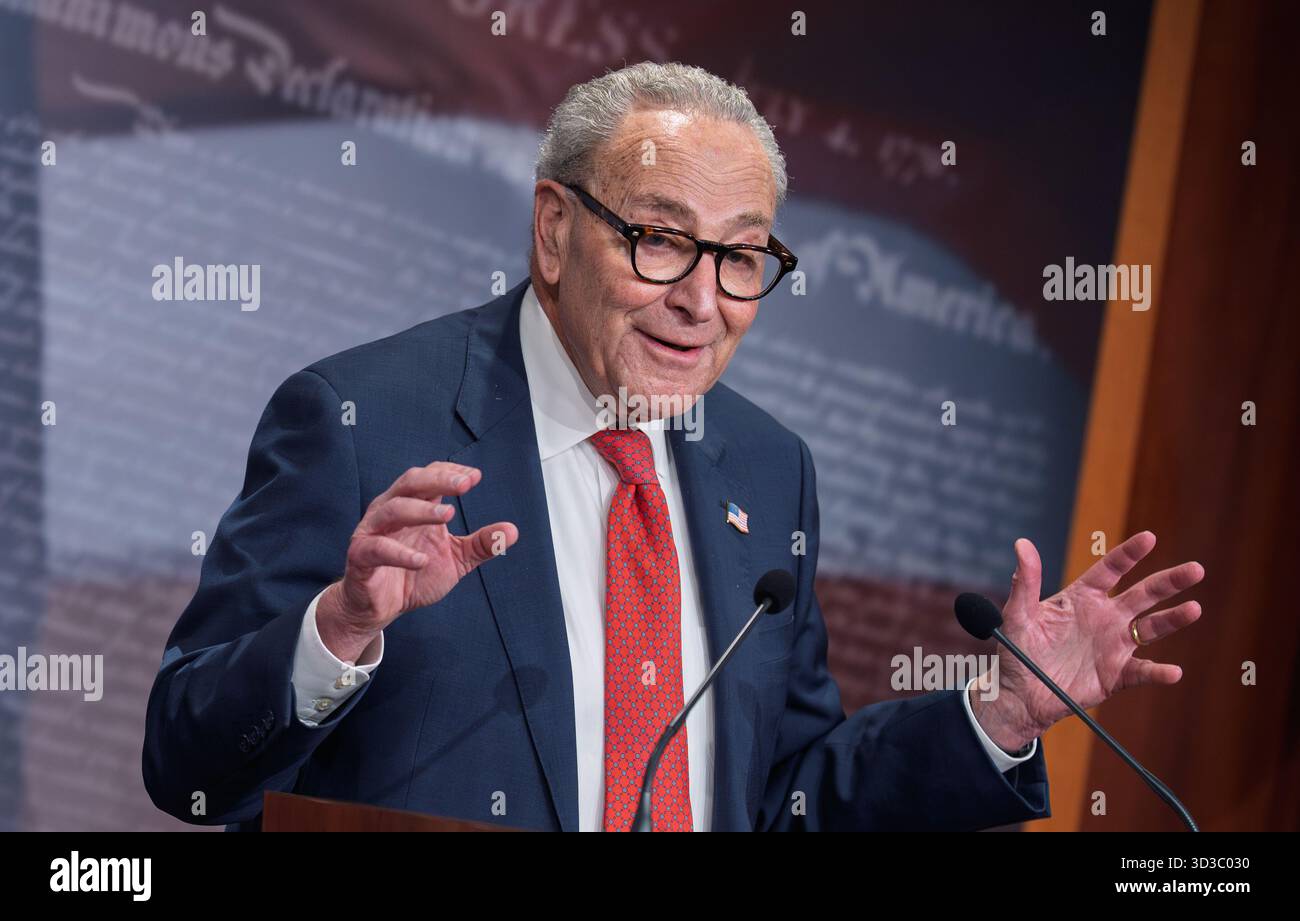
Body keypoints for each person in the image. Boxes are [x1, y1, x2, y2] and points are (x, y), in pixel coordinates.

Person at [143, 62, 1204, 831]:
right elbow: (186, 767)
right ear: (555, 232)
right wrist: (339, 627)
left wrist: (1001, 712)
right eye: (660, 241)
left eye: (743, 257)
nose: (701, 301)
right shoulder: (359, 419)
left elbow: (785, 794)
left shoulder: (767, 466)